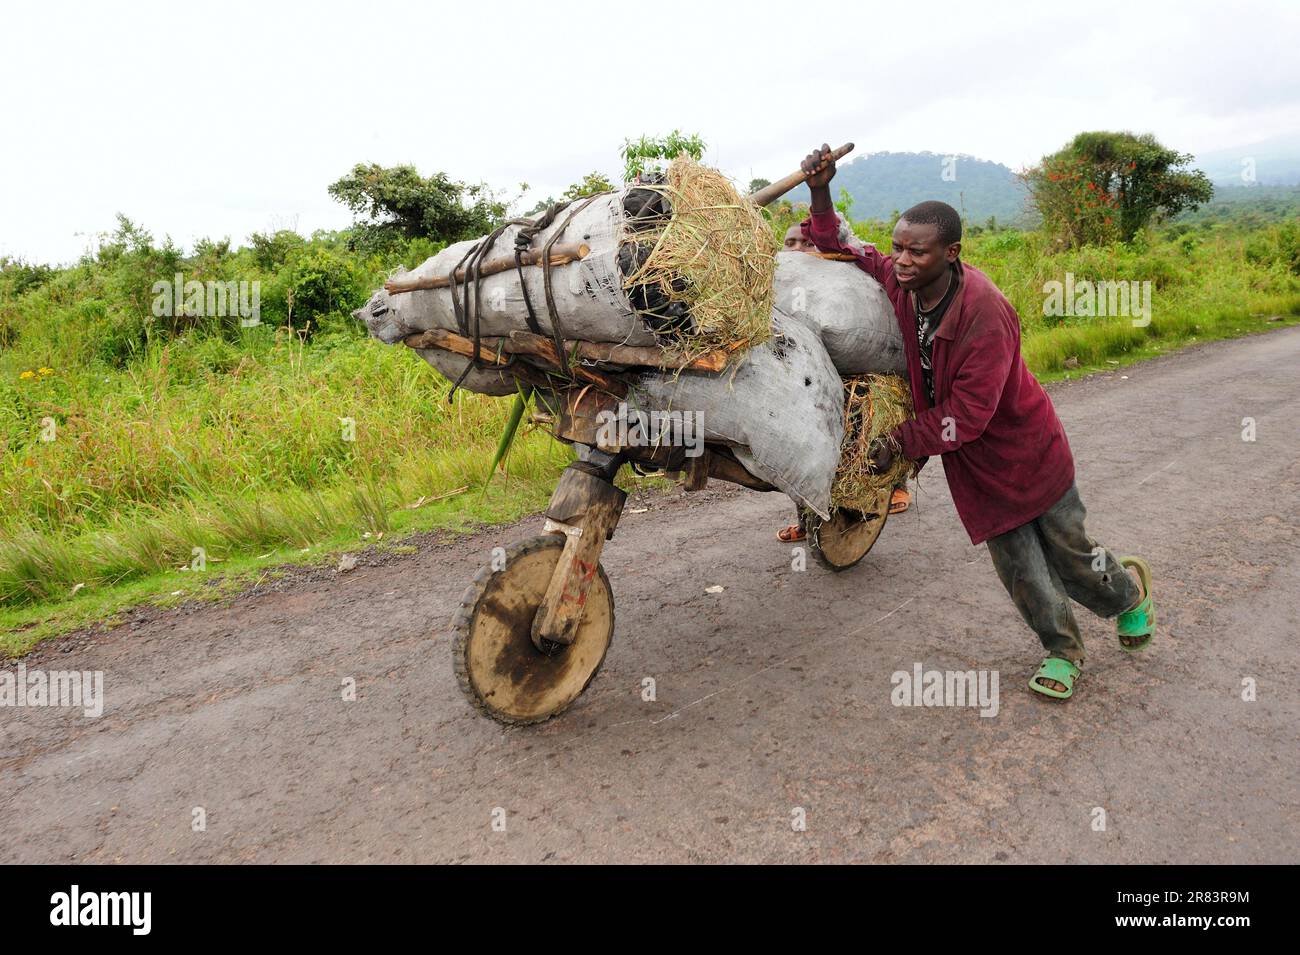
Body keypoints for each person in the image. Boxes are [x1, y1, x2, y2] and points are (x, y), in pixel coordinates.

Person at [797, 144, 1156, 700]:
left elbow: (967, 416)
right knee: (1020, 566)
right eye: (897, 249)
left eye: (916, 252)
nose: (901, 260)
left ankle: (1129, 596)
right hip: (976, 468)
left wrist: (898, 440)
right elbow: (841, 243)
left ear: (951, 253)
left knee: (1071, 556)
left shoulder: (984, 313)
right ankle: (1063, 651)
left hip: (1027, 451)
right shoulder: (904, 284)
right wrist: (820, 189)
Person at [775, 221, 912, 544]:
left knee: (868, 419)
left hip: (849, 373)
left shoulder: (843, 282)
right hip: (804, 373)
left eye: (805, 244)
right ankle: (810, 518)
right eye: (789, 244)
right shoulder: (782, 284)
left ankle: (895, 485)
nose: (796, 252)